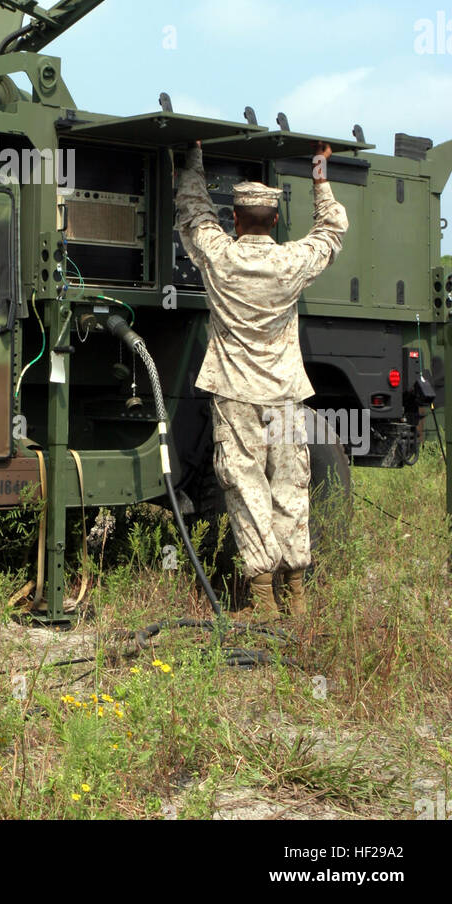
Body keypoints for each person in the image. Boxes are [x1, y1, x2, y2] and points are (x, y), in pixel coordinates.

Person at [174, 140, 349, 620]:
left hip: (235, 395)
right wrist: (319, 177)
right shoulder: (292, 262)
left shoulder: (220, 257)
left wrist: (193, 161)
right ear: (274, 221)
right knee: (291, 486)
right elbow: (331, 231)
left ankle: (264, 602)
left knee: (246, 489)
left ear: (235, 220)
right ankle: (298, 595)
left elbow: (193, 212)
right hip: (286, 394)